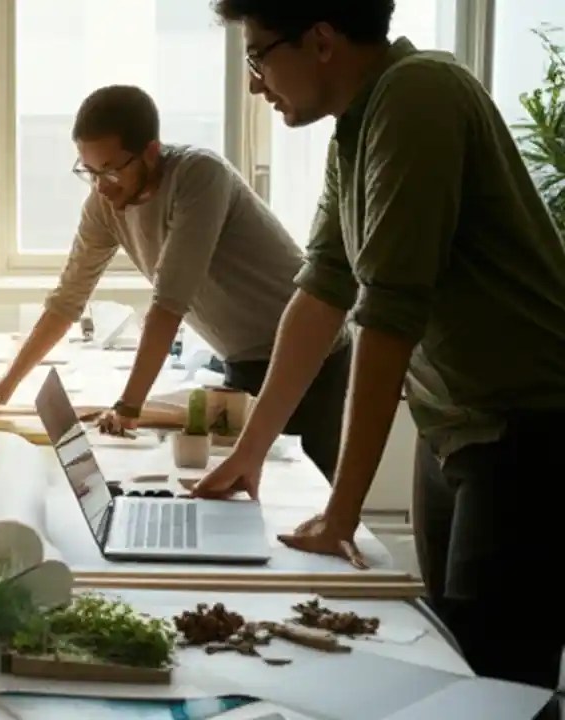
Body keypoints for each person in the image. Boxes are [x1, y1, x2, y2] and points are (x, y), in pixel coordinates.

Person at [200, 0, 565, 689]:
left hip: (529, 428)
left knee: (499, 682)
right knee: (451, 659)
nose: (254, 82)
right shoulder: (358, 124)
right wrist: (250, 453)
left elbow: (387, 315)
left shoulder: (418, 95)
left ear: (322, 40)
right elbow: (320, 293)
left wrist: (343, 511)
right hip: (453, 422)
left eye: (257, 57)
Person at [0, 85, 351, 479]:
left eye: (110, 169)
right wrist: (2, 388)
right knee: (236, 487)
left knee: (299, 493)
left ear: (150, 151)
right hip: (242, 358)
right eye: (89, 172)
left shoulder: (199, 175)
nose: (101, 186)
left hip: (309, 354)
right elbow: (67, 299)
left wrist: (130, 406)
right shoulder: (104, 205)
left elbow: (169, 300)